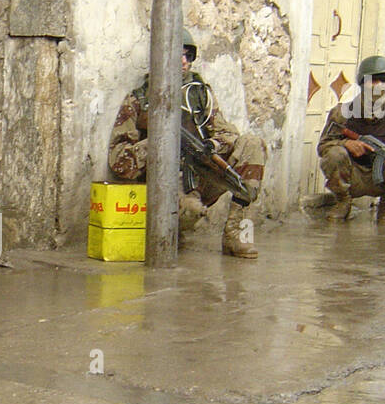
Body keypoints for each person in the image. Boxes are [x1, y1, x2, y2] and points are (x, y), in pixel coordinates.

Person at [107, 29, 267, 258]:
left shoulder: (201, 94)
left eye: (188, 55)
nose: (184, 61)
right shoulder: (139, 100)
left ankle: (237, 236)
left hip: (202, 174)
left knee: (252, 144)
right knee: (190, 210)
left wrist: (211, 145)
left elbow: (227, 134)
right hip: (164, 186)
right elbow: (119, 163)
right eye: (176, 54)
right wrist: (158, 142)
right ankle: (170, 232)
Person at [318, 55, 385, 221]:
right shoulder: (342, 112)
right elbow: (323, 146)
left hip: (382, 175)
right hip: (352, 174)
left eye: (382, 81)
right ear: (363, 83)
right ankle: (343, 201)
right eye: (373, 80)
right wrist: (346, 143)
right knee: (335, 155)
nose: (377, 85)